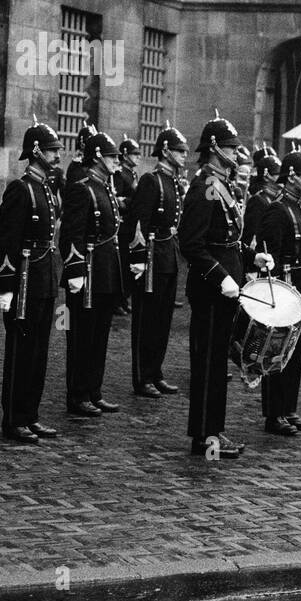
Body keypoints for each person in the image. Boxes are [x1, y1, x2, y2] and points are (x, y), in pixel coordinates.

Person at [179, 116, 274, 458]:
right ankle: (205, 438)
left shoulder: (222, 185)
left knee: (218, 364)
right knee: (207, 366)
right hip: (211, 291)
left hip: (226, 291)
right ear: (216, 148)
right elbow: (192, 245)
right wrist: (223, 277)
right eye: (232, 148)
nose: (237, 153)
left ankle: (214, 430)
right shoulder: (204, 184)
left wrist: (251, 259)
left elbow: (227, 241)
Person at [0, 119, 65, 443]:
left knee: (38, 354)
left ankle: (30, 415)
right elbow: (5, 240)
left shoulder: (47, 188)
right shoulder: (21, 189)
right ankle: (14, 419)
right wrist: (5, 288)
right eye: (52, 151)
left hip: (44, 279)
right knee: (20, 352)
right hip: (23, 283)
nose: (57, 156)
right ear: (35, 151)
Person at [60, 131, 129, 417]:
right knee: (82, 336)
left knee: (99, 335)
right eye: (113, 157)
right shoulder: (82, 188)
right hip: (87, 274)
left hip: (105, 272)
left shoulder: (106, 186)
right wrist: (75, 270)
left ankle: (94, 391)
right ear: (99, 157)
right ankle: (78, 395)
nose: (117, 162)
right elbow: (70, 235)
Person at [256, 149, 301, 435]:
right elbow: (270, 254)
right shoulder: (278, 208)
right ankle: (274, 413)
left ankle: (289, 408)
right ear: (292, 176)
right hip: (286, 284)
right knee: (278, 349)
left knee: (298, 347)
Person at [128, 124, 188, 399]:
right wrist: (139, 258)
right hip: (151, 257)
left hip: (168, 256)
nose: (184, 155)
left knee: (162, 320)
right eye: (179, 150)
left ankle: (156, 371)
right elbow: (138, 223)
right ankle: (142, 377)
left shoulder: (174, 181)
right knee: (146, 320)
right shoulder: (151, 181)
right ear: (165, 151)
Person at [113, 136, 140, 316]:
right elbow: (118, 200)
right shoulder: (119, 173)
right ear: (125, 154)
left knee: (128, 265)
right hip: (122, 227)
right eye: (134, 153)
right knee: (121, 265)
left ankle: (124, 298)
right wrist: (134, 201)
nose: (138, 156)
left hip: (131, 226)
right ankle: (117, 300)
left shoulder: (132, 173)